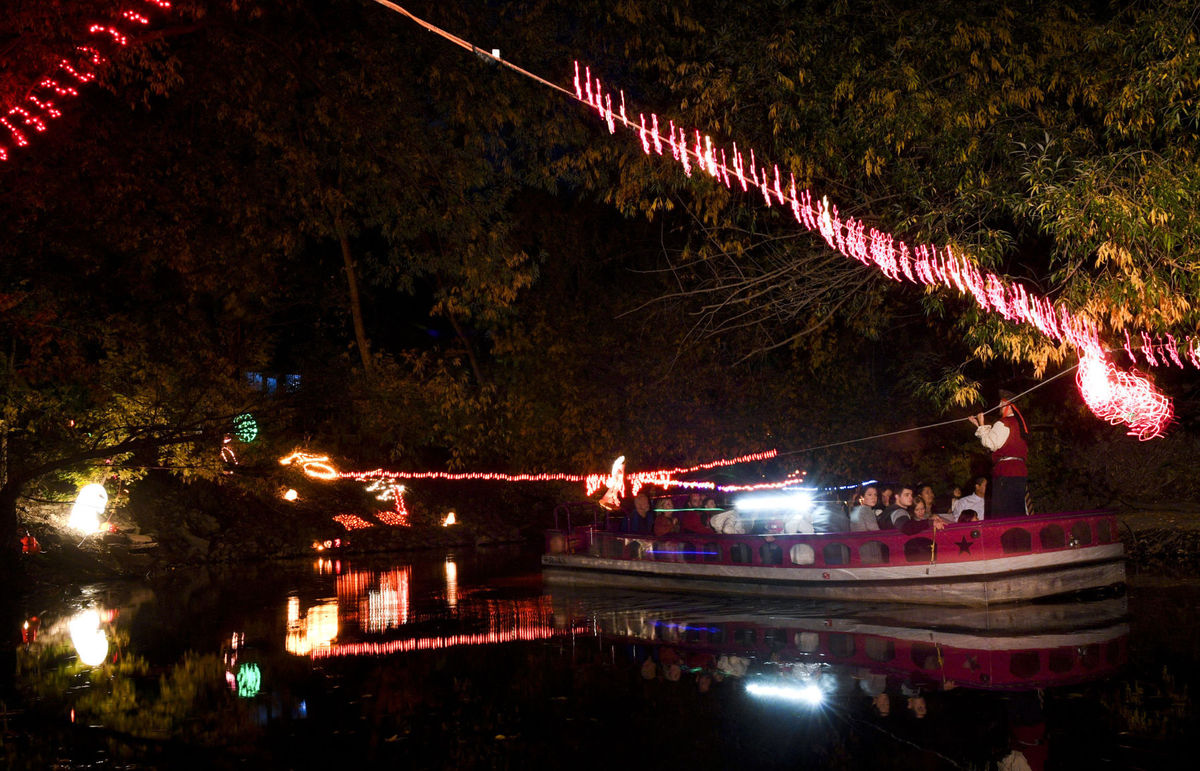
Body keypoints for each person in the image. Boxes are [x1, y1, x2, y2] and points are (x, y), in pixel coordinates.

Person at [969, 390, 1028, 516]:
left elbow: (990, 443)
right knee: (1016, 510)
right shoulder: (1019, 424)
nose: (999, 407)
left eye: (1001, 404)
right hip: (1020, 472)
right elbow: (997, 439)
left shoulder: (1004, 423)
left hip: (1006, 473)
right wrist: (978, 426)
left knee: (1003, 512)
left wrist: (982, 424)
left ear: (1008, 405)